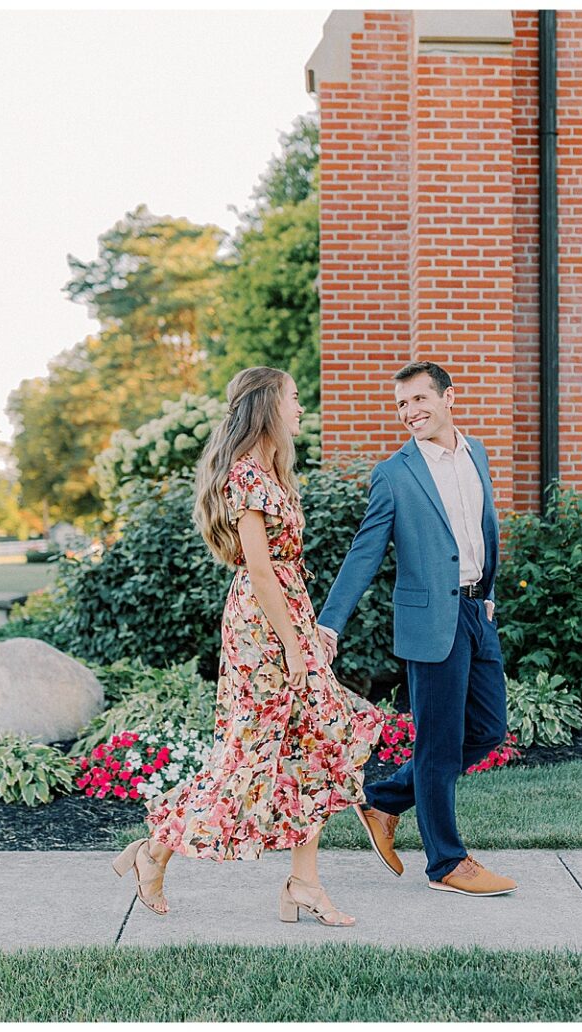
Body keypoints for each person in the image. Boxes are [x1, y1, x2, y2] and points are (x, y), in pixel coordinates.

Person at [112, 366, 387, 926]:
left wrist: (304, 634)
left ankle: (303, 882)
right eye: (293, 397)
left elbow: (279, 572)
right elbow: (260, 572)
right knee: (248, 757)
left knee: (317, 743)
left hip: (289, 616)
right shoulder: (245, 477)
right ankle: (156, 849)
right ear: (267, 405)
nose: (301, 407)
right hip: (265, 628)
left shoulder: (272, 473)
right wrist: (292, 645)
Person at [318, 361, 517, 897]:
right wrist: (329, 623)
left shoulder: (478, 455)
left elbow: (481, 534)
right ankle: (447, 863)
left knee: (487, 731)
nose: (411, 413)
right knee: (436, 743)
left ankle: (382, 801)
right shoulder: (395, 473)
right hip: (430, 622)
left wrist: (489, 597)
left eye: (420, 400)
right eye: (402, 404)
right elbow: (365, 552)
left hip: (478, 614)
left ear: (449, 397)